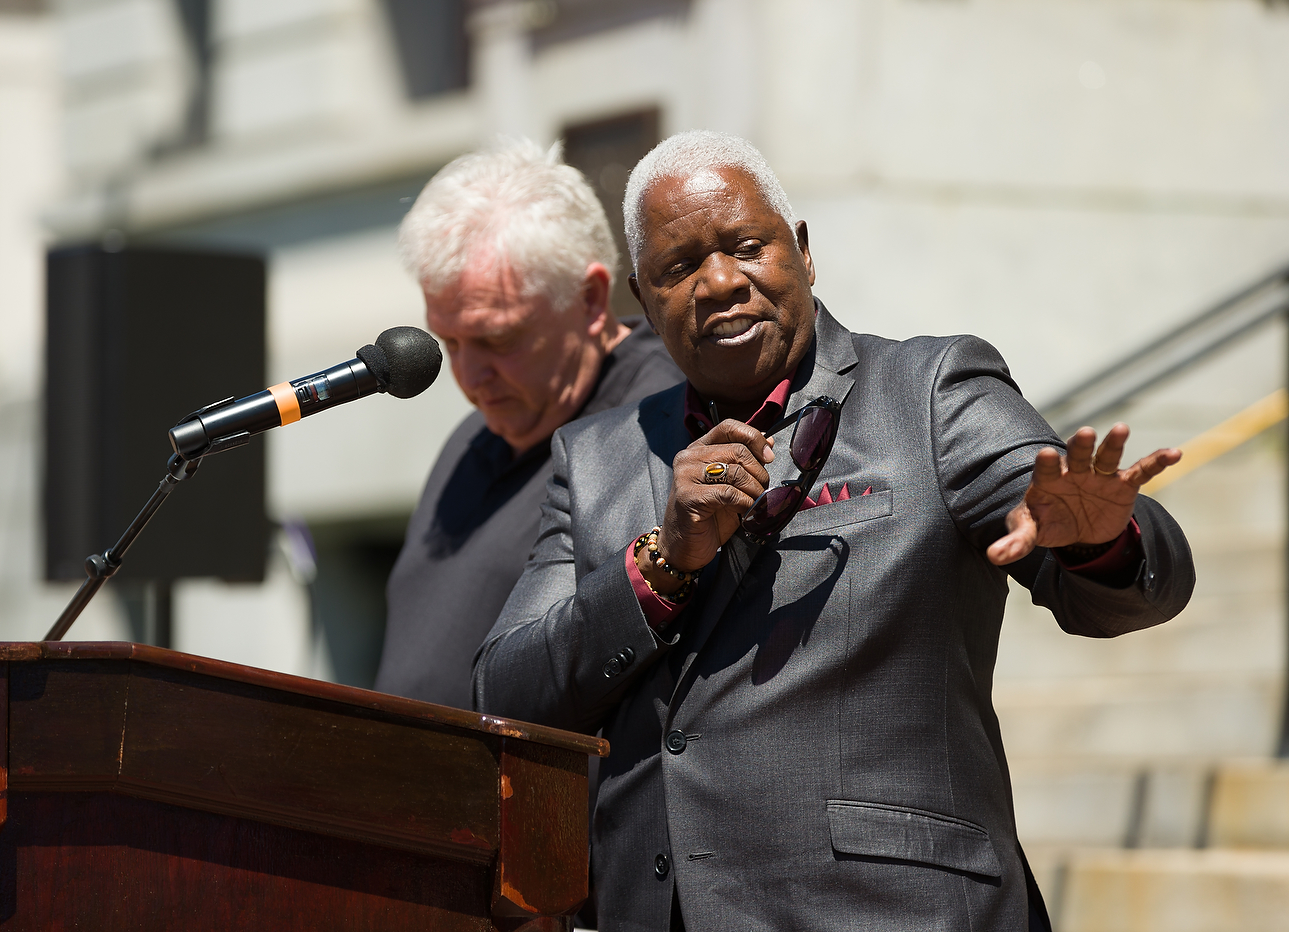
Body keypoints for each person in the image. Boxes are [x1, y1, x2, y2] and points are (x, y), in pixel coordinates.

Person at [472, 131, 1195, 932]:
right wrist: (662, 565)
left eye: (747, 247)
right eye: (679, 268)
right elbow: (505, 695)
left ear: (804, 252)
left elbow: (1122, 589)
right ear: (644, 301)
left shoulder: (931, 393)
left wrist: (1097, 542)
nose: (720, 282)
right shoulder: (595, 458)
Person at [375, 139, 683, 709]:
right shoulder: (475, 435)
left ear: (590, 298)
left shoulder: (659, 418)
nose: (469, 377)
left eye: (498, 339)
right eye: (450, 342)